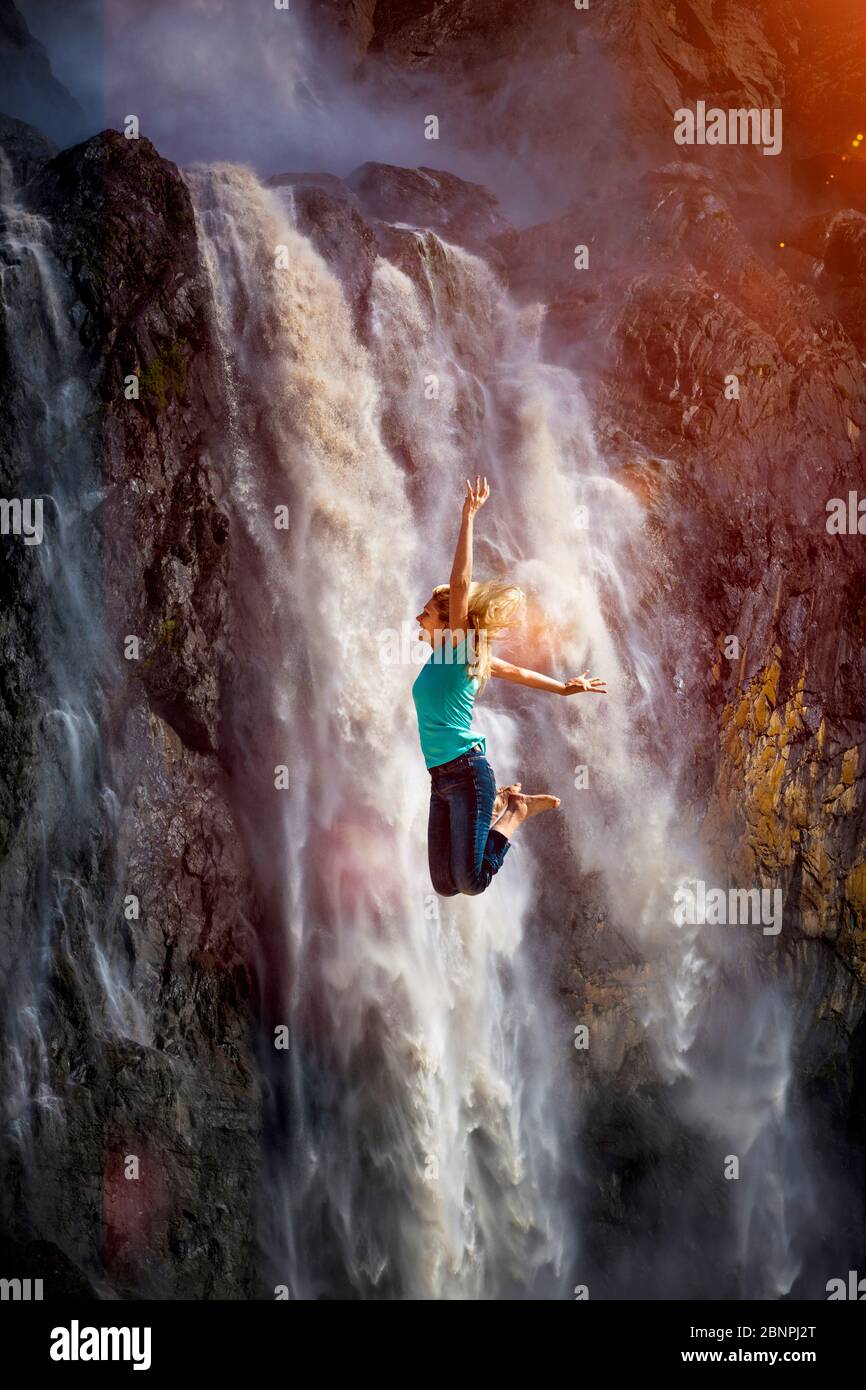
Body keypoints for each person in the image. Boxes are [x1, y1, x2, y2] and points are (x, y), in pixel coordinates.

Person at [413, 477, 607, 897]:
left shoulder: (459, 647)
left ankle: (515, 809)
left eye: (426, 613)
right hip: (440, 779)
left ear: (449, 624)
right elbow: (517, 673)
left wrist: (468, 516)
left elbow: (462, 585)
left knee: (473, 881)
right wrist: (561, 687)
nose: (418, 619)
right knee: (445, 885)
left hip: (467, 772)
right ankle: (500, 801)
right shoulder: (450, 660)